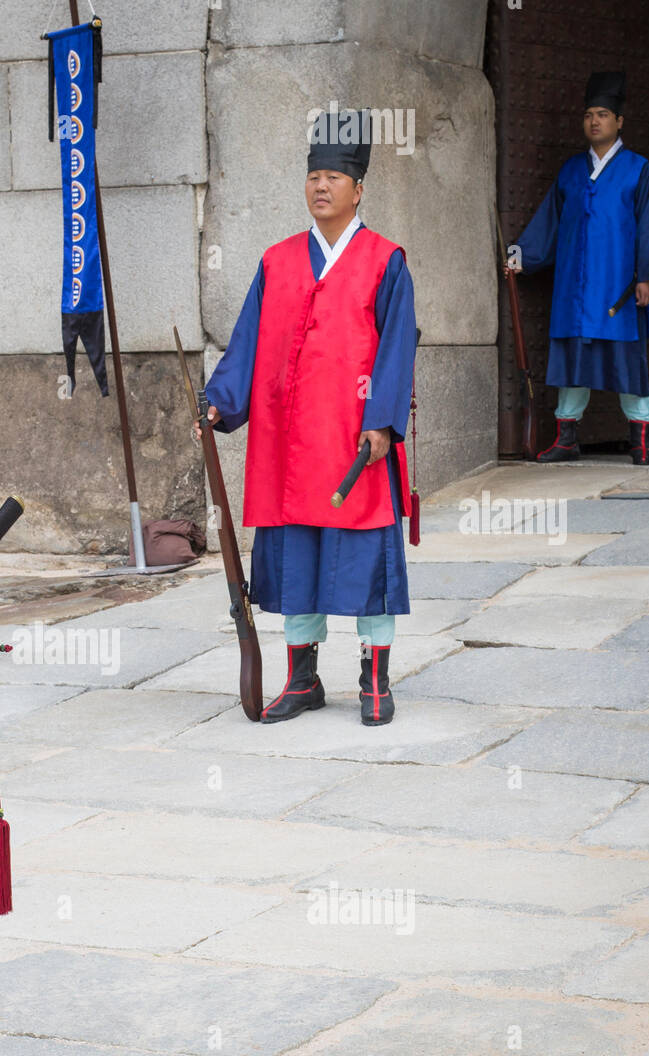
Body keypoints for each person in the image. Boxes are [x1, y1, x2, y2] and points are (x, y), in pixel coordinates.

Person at [199, 108, 417, 726]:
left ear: (358, 188)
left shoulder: (385, 260)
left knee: (367, 561)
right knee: (297, 561)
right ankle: (302, 678)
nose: (321, 187)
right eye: (313, 175)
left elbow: (399, 348)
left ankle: (375, 678)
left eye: (334, 177)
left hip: (355, 444)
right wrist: (220, 403)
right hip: (291, 446)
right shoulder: (277, 262)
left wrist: (382, 423)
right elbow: (246, 344)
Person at [513, 71, 649, 466]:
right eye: (588, 115)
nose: (594, 121)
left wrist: (646, 275)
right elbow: (550, 221)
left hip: (619, 287)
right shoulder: (571, 171)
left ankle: (641, 436)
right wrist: (521, 256)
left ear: (619, 122)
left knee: (627, 359)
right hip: (575, 290)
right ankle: (567, 438)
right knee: (573, 358)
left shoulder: (638, 170)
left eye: (602, 114)